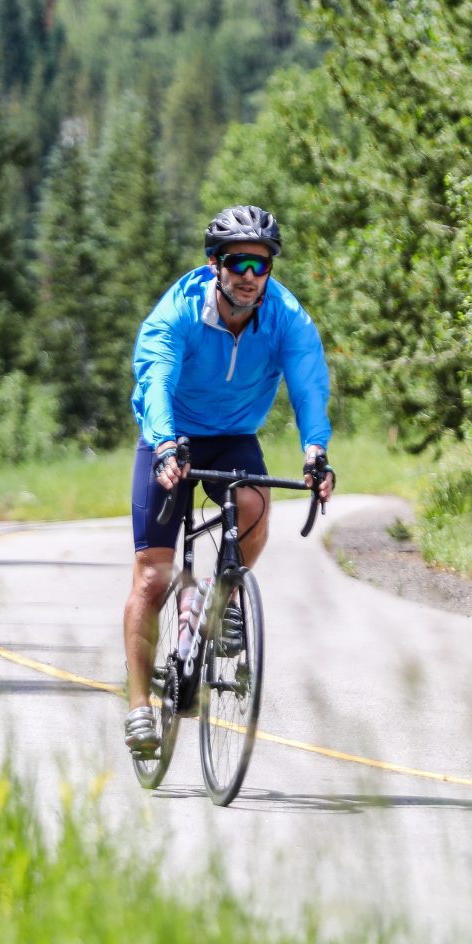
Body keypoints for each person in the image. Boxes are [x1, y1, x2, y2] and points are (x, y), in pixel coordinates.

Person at [122, 205, 335, 755]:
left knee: (256, 504)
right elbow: (156, 379)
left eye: (260, 265)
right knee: (153, 577)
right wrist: (164, 445)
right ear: (215, 264)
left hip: (235, 433)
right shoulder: (180, 311)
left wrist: (315, 450)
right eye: (238, 262)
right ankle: (140, 705)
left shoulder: (286, 317)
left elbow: (308, 383)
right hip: (172, 435)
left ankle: (223, 599)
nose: (248, 275)